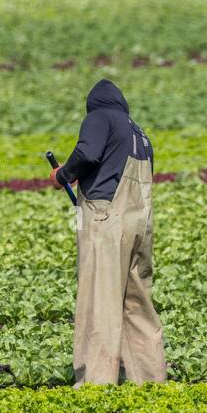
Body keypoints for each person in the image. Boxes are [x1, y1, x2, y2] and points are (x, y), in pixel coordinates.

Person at [51, 79, 166, 385]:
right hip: (140, 224)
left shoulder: (99, 117)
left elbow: (87, 153)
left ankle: (96, 382)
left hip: (107, 221)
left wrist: (63, 175)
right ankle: (149, 379)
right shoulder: (140, 134)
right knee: (137, 303)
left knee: (99, 300)